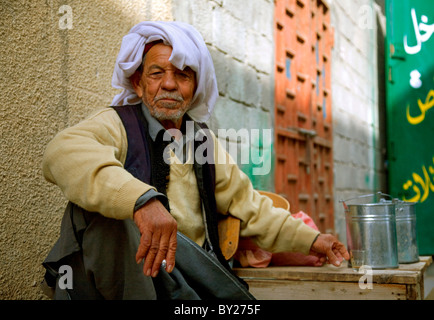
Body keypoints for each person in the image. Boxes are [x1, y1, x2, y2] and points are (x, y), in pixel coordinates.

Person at [41, 21, 349, 300]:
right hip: (135, 279)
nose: (170, 84)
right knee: (107, 215)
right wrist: (142, 202)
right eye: (157, 73)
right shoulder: (118, 124)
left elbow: (251, 208)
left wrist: (314, 240)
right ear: (138, 83)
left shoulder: (202, 141)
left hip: (189, 277)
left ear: (194, 88)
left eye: (182, 75)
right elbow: (62, 151)